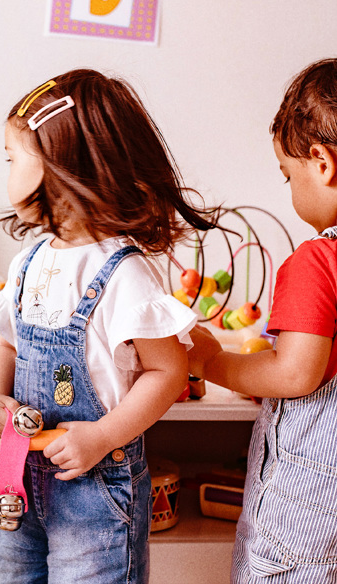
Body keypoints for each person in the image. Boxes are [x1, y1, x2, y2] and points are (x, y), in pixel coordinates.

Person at [0, 69, 218, 583]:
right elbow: (7, 342)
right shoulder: (28, 261)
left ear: (61, 166)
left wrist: (102, 435)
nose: (4, 170)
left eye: (11, 157)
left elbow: (168, 371)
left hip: (95, 490)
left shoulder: (123, 271)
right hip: (18, 477)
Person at [188, 58, 337, 583]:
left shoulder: (317, 261)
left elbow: (294, 374)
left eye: (287, 174)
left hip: (312, 511)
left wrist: (211, 360)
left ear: (321, 162)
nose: (288, 188)